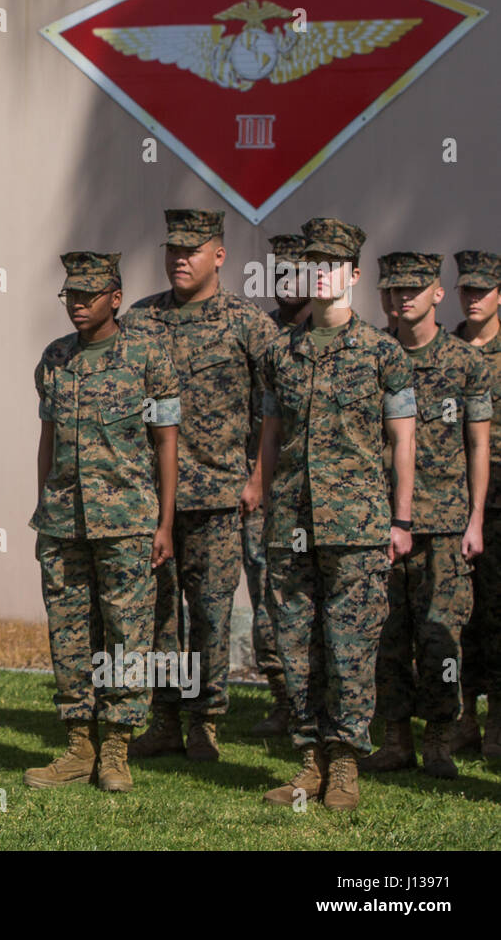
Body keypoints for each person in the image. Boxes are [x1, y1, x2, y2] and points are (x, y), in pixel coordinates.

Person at [258, 217, 416, 811]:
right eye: (311, 266)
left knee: (350, 645)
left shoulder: (382, 353)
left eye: (332, 266)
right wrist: (269, 506)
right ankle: (309, 763)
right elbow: (270, 439)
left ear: (351, 275)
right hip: (291, 525)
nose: (320, 276)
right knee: (297, 643)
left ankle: (346, 764)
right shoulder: (281, 352)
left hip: (356, 526)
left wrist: (400, 522)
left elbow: (404, 441)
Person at [121, 209, 276, 762]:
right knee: (160, 616)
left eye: (192, 250)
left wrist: (256, 476)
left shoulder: (248, 323)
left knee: (210, 615)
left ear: (220, 256)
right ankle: (164, 717)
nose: (179, 260)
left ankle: (205, 721)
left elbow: (275, 405)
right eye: (172, 250)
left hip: (218, 498)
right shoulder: (140, 321)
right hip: (150, 500)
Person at [24, 252, 179, 793]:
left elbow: (167, 445)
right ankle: (77, 747)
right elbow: (47, 443)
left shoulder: (148, 357)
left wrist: (164, 523)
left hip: (128, 523)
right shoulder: (54, 360)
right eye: (70, 295)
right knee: (68, 634)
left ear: (116, 298)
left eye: (89, 295)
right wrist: (44, 506)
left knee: (127, 636)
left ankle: (116, 749)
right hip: (63, 523)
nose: (78, 304)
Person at [362, 253, 490, 779]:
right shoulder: (370, 357)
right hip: (382, 521)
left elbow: (478, 447)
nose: (402, 298)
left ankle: (439, 739)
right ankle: (394, 739)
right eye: (392, 290)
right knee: (388, 634)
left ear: (438, 294)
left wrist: (476, 518)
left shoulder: (466, 364)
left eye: (414, 288)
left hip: (444, 524)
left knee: (442, 638)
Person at [245, 234, 311, 737]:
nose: (289, 284)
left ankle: (318, 702)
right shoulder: (259, 332)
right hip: (266, 488)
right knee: (269, 597)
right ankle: (284, 697)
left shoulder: (337, 333)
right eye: (281, 274)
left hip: (324, 492)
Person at [451, 249, 501, 760]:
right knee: (456, 615)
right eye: (467, 290)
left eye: (483, 290)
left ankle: (497, 726)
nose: (474, 299)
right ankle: (460, 719)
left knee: (497, 613)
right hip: (452, 495)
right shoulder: (448, 350)